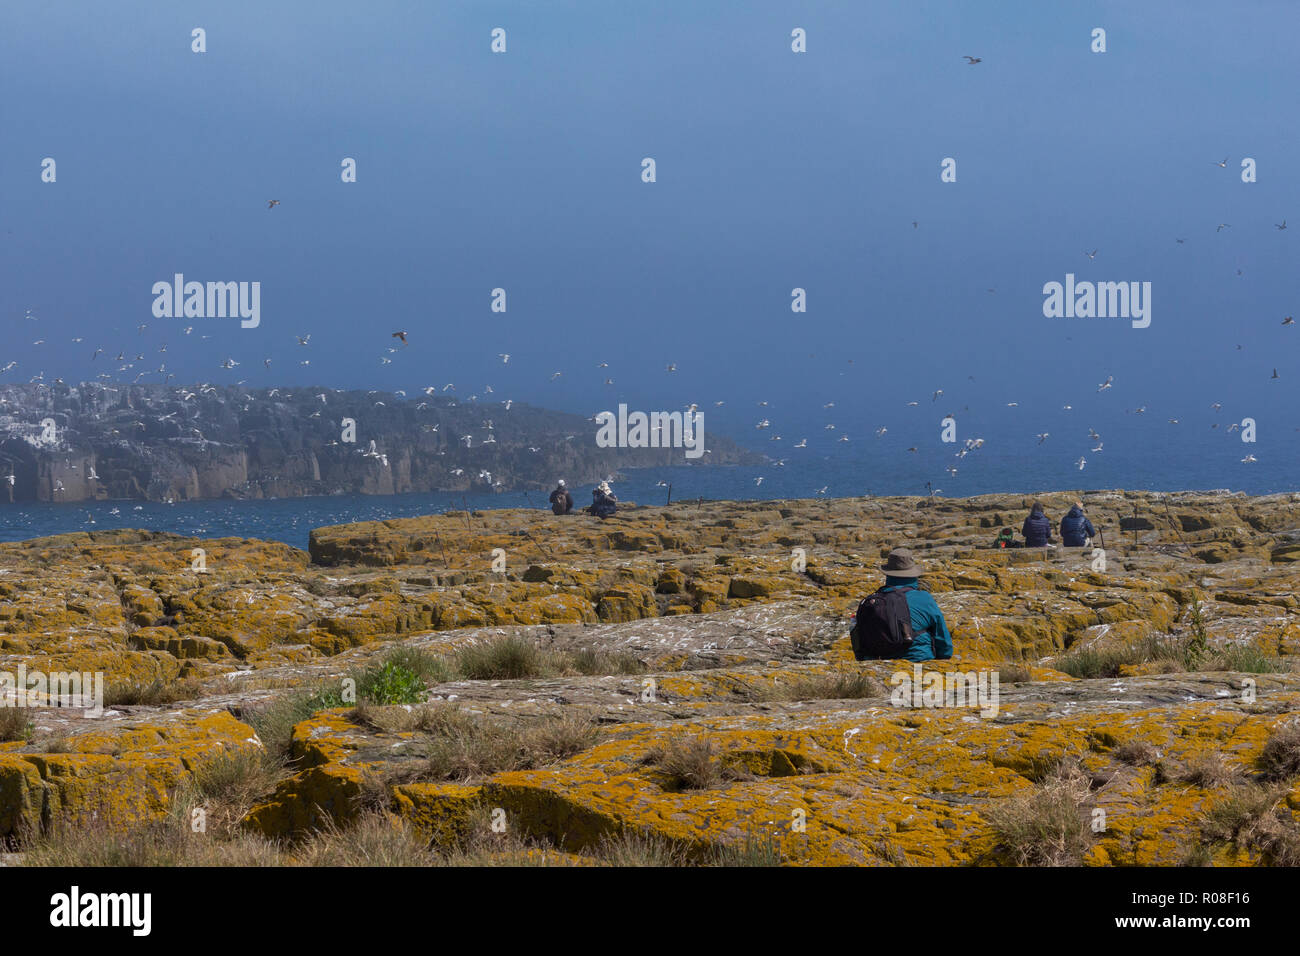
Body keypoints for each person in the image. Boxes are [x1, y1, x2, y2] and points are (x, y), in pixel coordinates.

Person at [852, 548, 953, 662]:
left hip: (875, 662)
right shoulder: (924, 599)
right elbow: (942, 639)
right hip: (917, 660)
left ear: (888, 574)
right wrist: (944, 658)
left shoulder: (871, 601)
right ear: (913, 574)